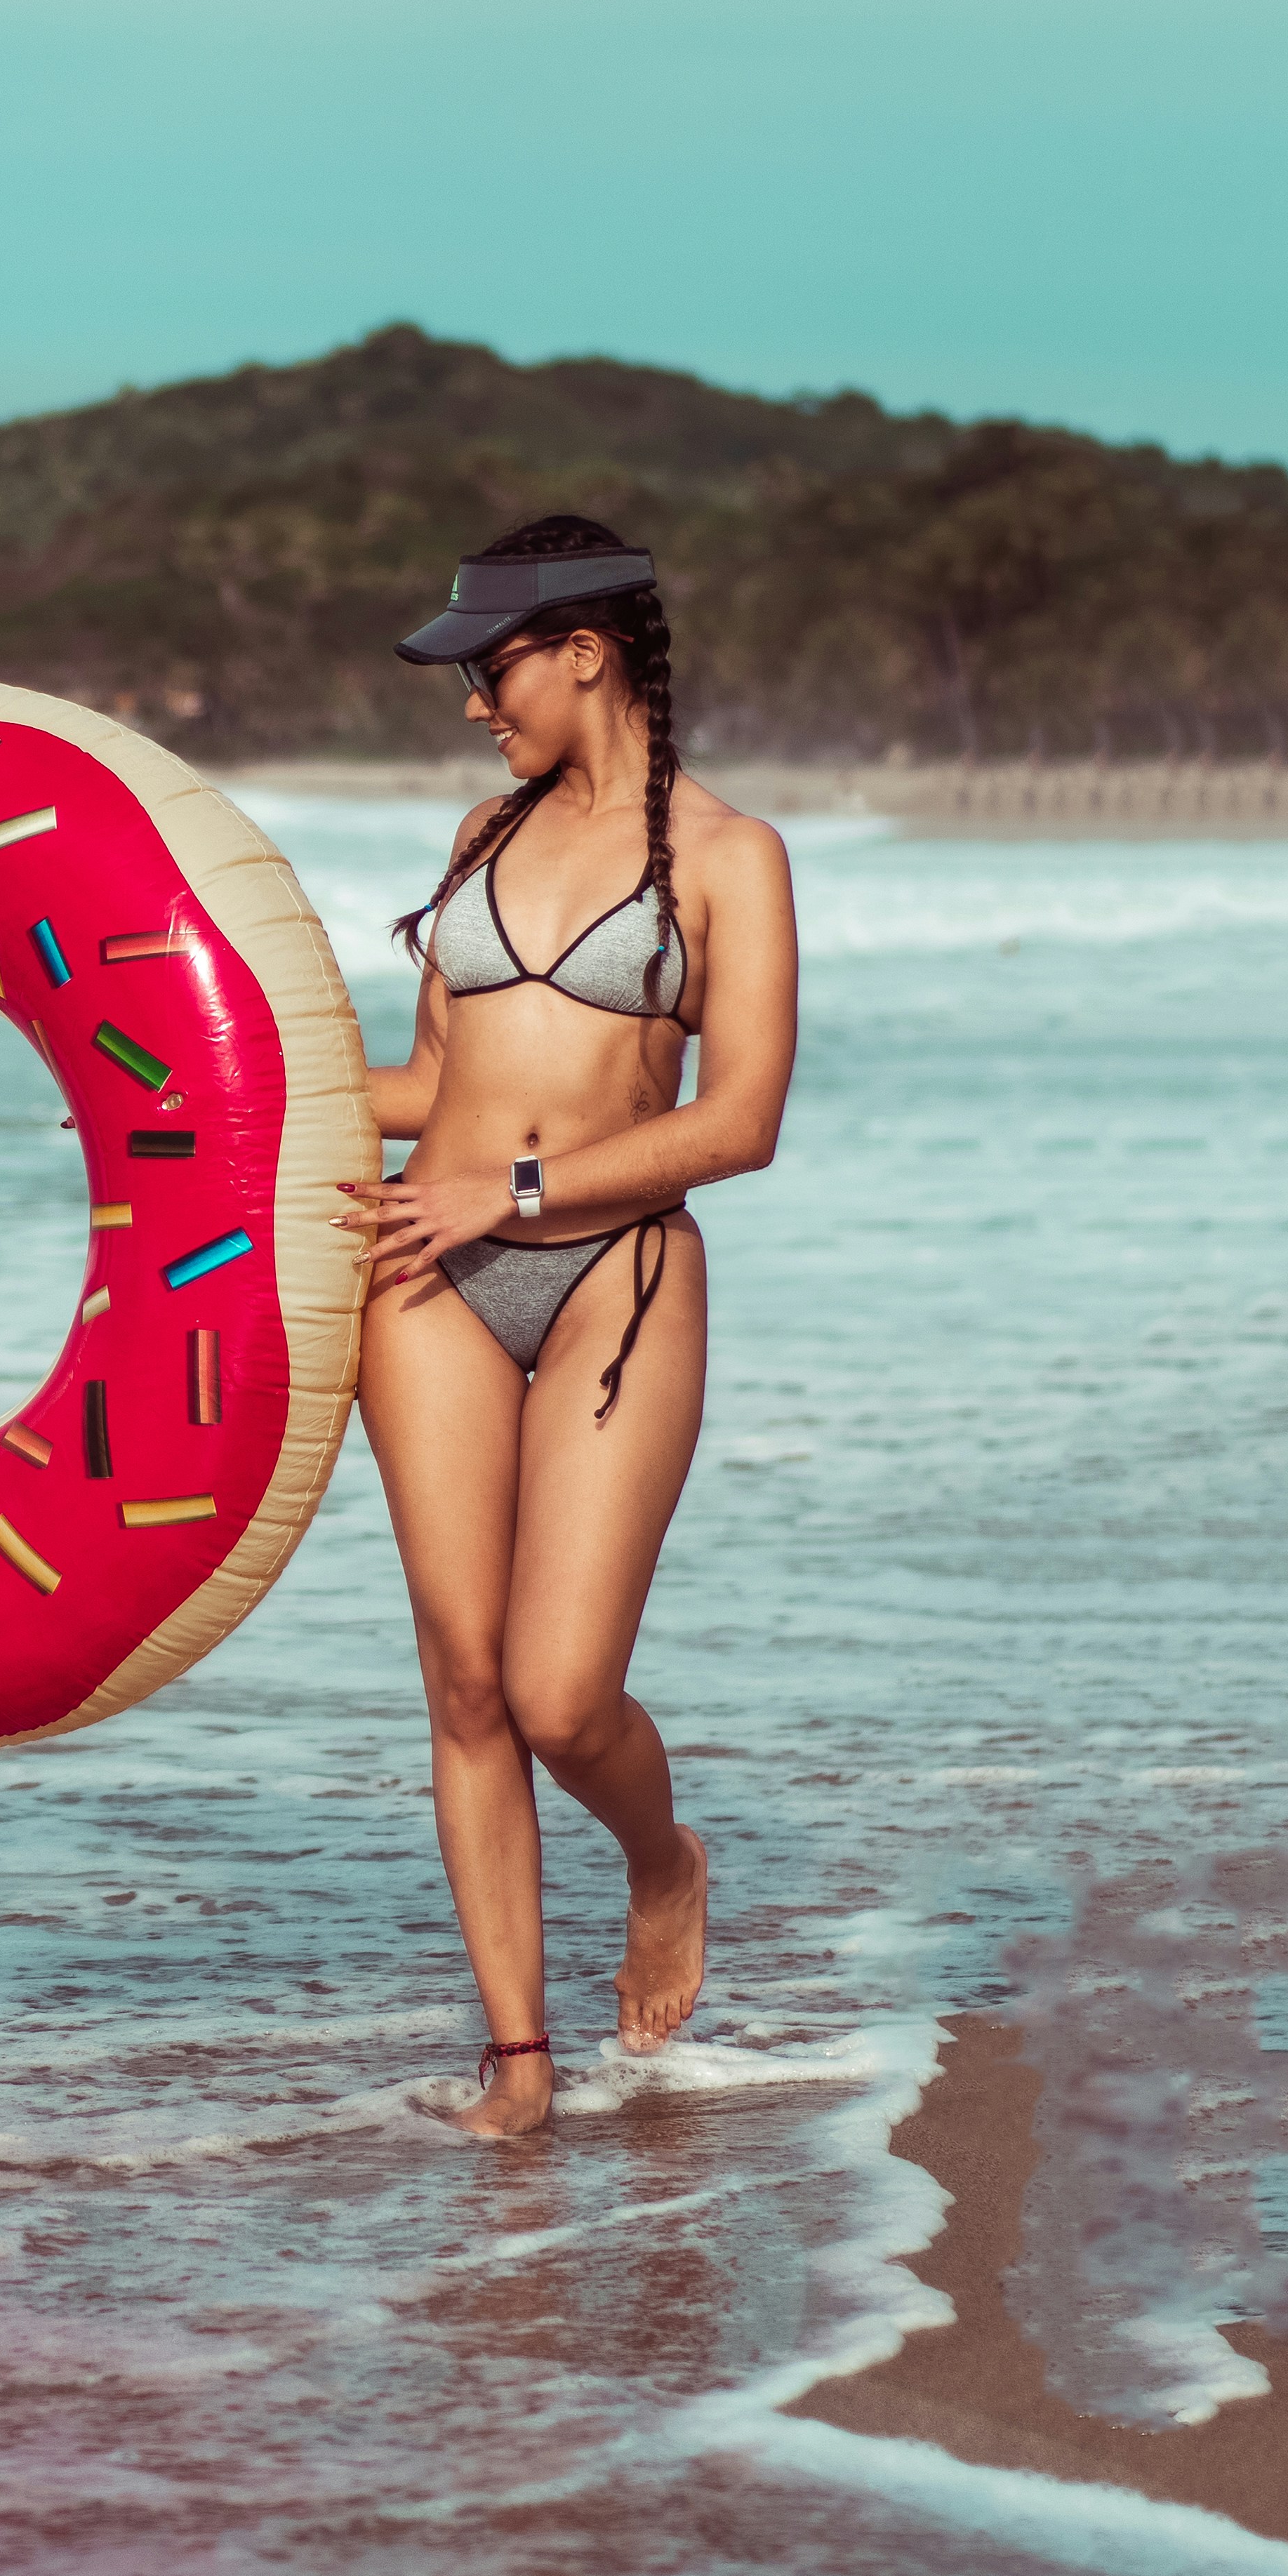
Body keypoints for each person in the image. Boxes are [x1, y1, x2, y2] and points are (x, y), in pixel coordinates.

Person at [343, 514, 799, 2138]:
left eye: (491, 667)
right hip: (424, 1277)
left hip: (611, 1273)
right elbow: (429, 1090)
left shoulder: (728, 858)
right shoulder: (479, 836)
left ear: (583, 651)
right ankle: (518, 2067)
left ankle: (662, 1863)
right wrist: (214, 1098)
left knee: (557, 1694)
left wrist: (514, 1193)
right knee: (463, 1684)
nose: (477, 703)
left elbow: (737, 1120)